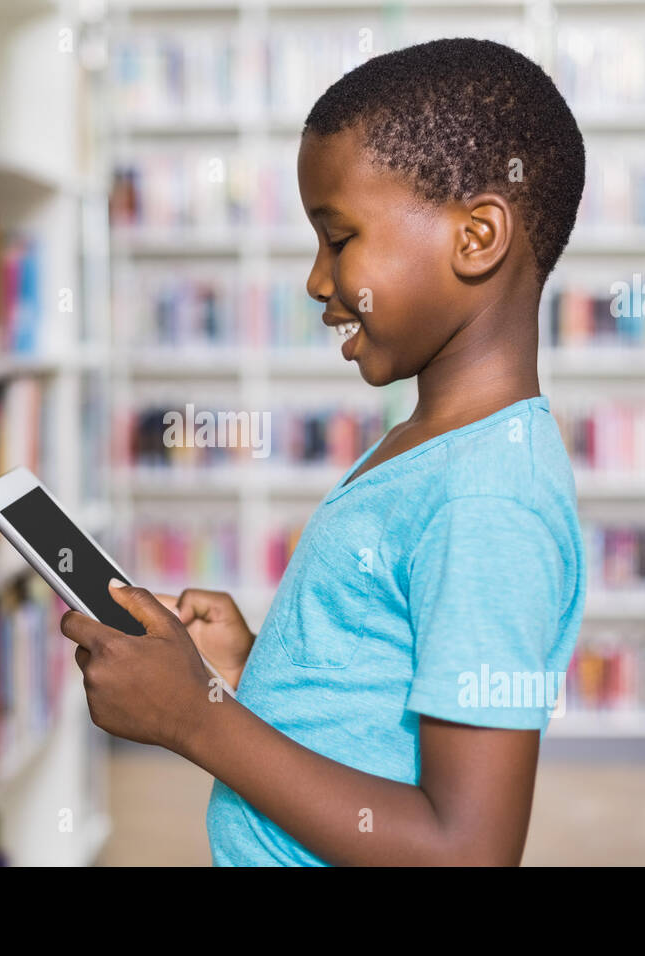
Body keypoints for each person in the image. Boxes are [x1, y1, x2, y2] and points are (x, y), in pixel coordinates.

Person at [60, 37, 587, 866]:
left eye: (338, 239)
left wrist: (196, 716)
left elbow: (467, 849)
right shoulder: (427, 445)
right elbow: (376, 703)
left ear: (478, 235)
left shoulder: (487, 503)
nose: (315, 279)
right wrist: (260, 669)